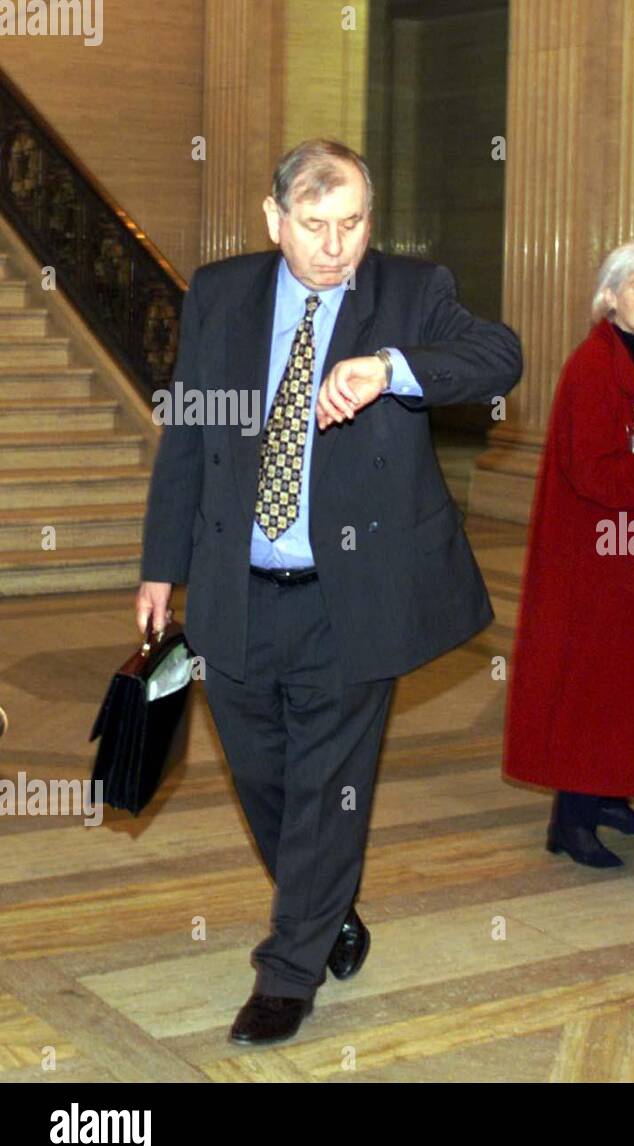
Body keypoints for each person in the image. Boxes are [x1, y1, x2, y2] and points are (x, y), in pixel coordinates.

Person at [136, 139, 522, 1044]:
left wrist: (391, 367)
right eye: (313, 227)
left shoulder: (410, 290)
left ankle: (288, 969)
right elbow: (187, 432)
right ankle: (327, 905)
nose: (335, 247)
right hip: (235, 587)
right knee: (264, 779)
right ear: (274, 221)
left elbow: (497, 358)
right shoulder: (221, 293)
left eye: (351, 224)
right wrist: (161, 566)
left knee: (328, 785)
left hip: (352, 594)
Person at [503, 241, 634, 869]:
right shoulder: (594, 365)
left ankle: (612, 796)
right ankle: (569, 820)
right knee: (597, 688)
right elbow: (593, 472)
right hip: (600, 561)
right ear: (610, 296)